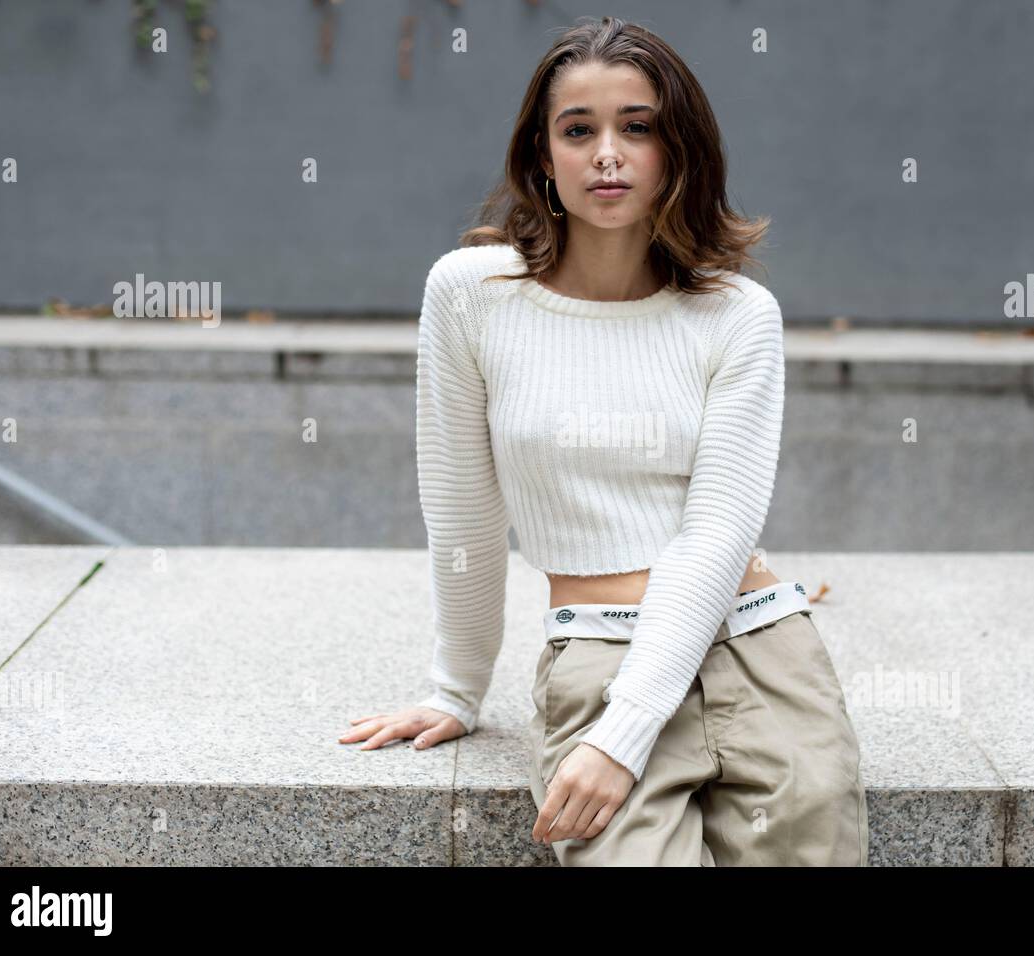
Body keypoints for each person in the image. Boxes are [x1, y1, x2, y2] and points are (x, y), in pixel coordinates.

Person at [340, 16, 867, 866]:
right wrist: (458, 689)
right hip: (597, 644)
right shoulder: (472, 294)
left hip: (759, 647)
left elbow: (716, 533)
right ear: (542, 157)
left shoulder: (736, 315)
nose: (608, 154)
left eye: (638, 126)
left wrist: (624, 735)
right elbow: (464, 513)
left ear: (678, 150)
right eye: (578, 130)